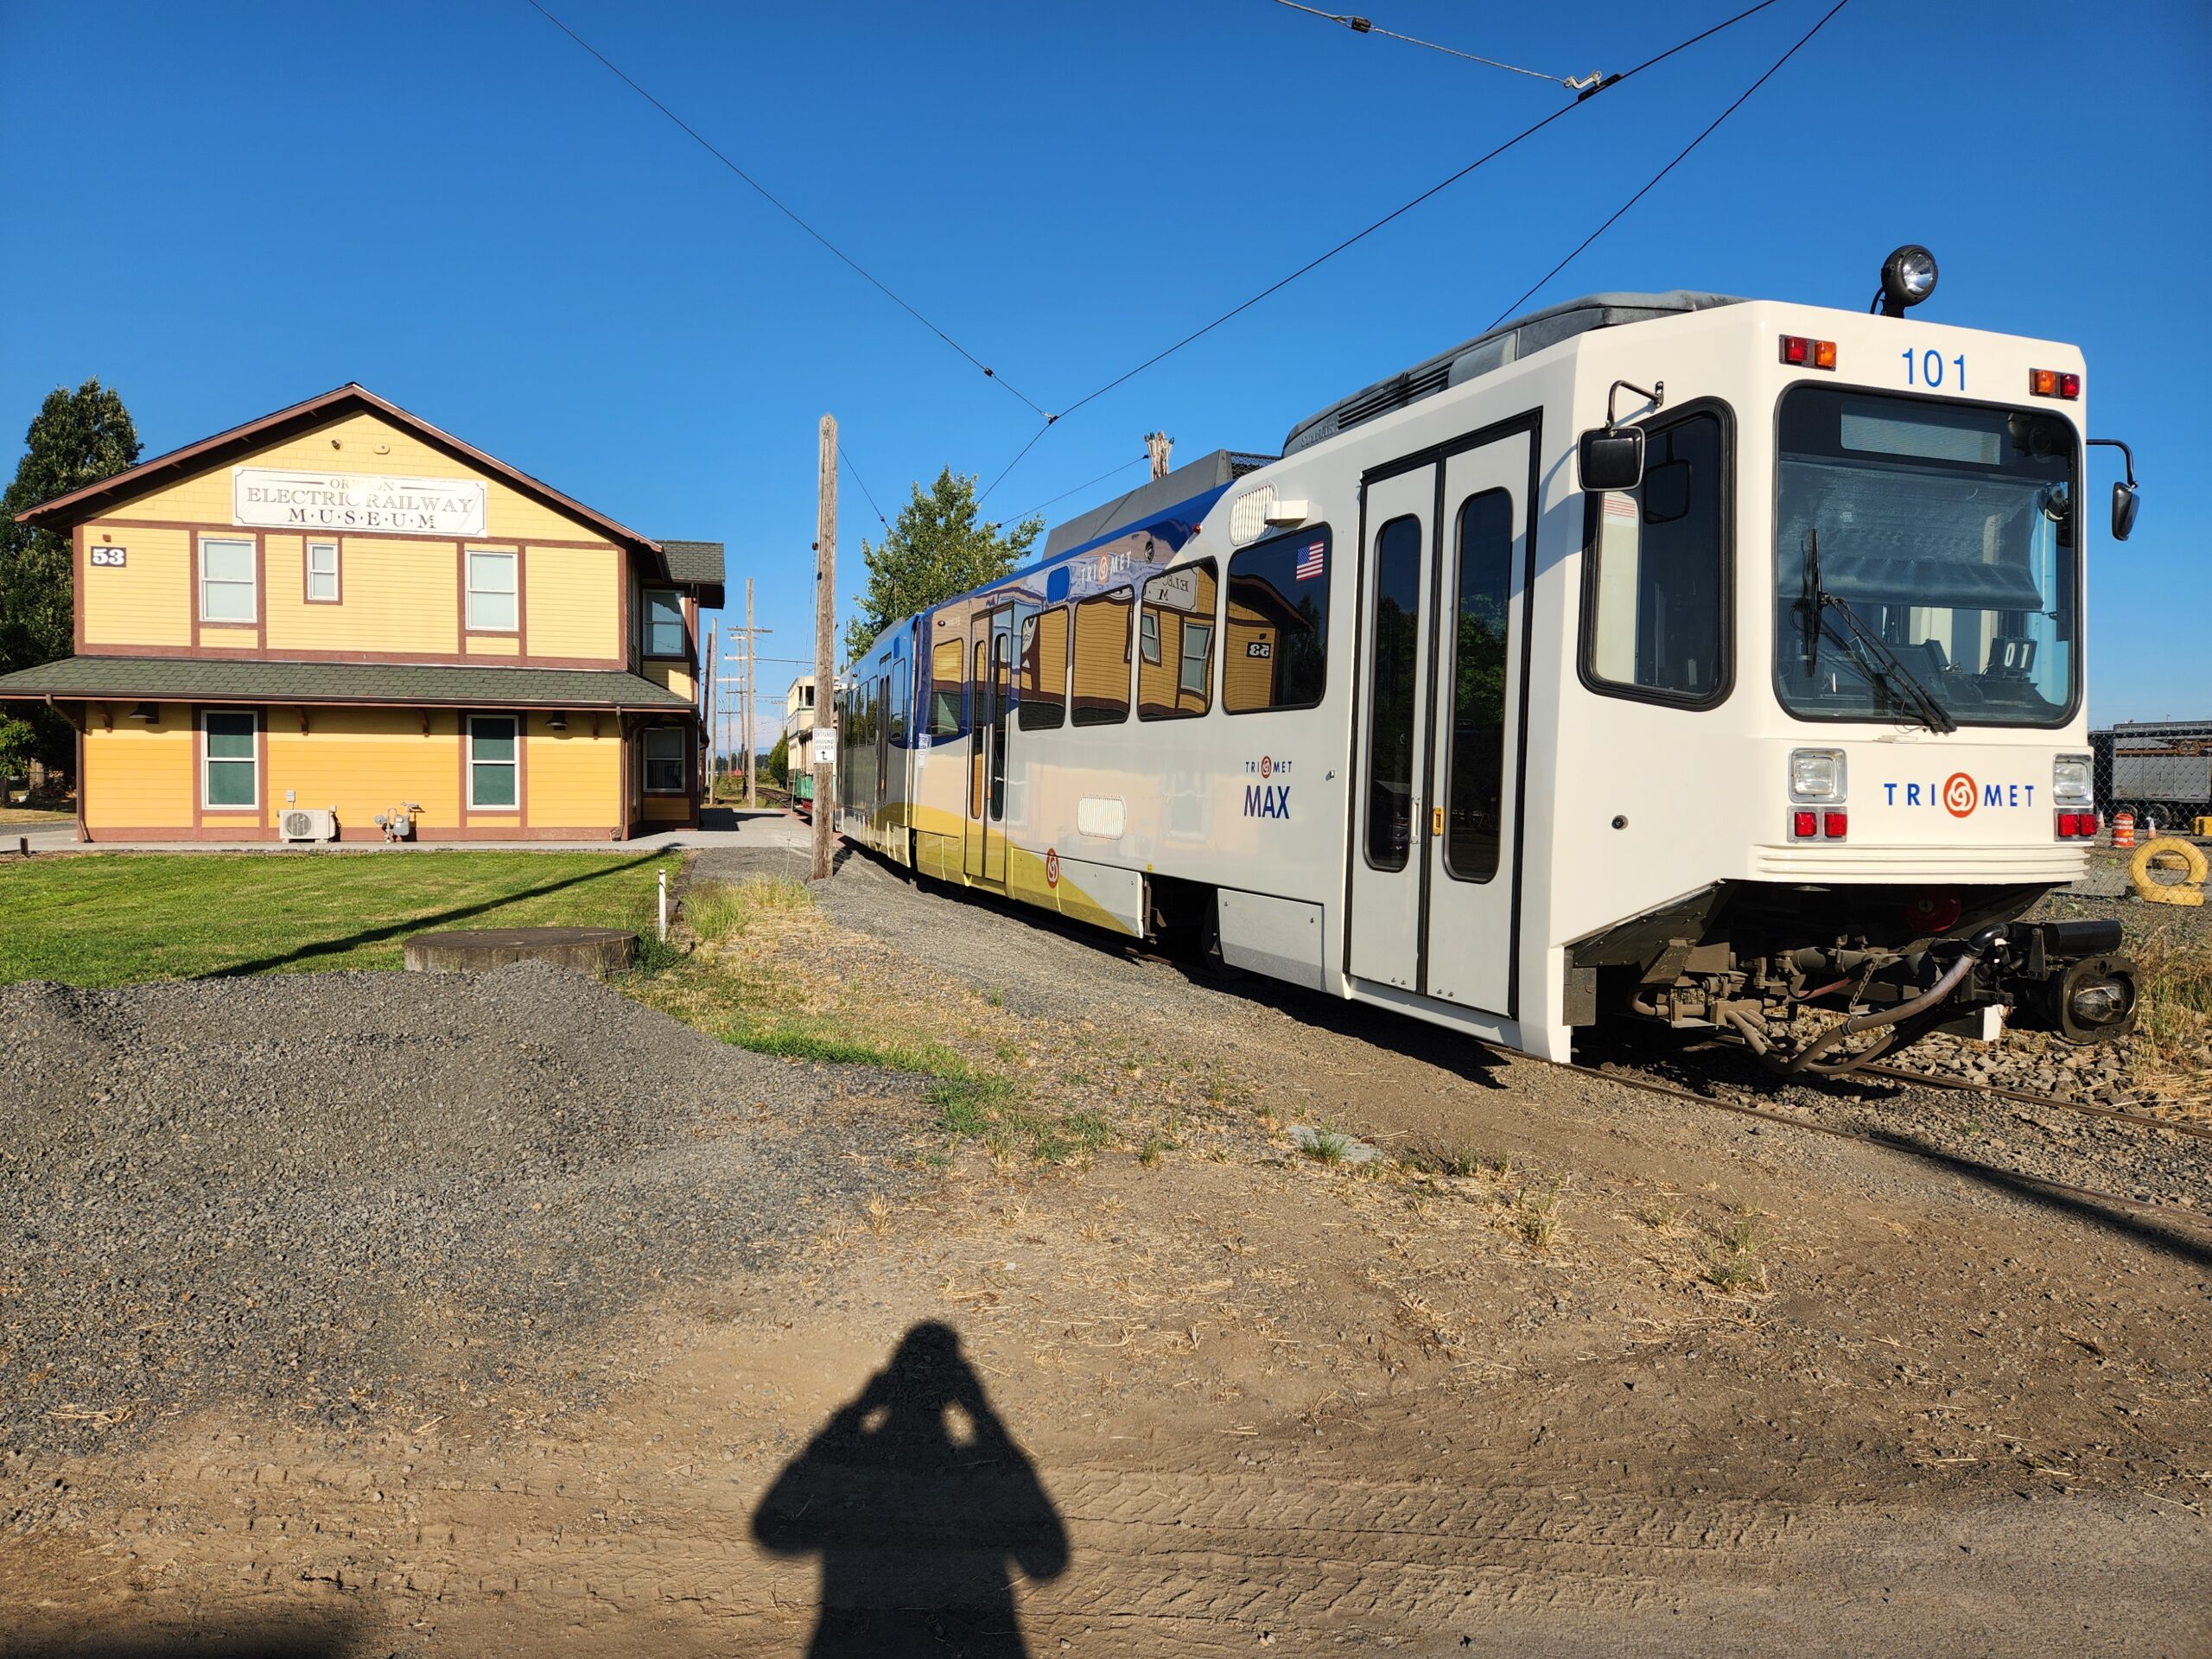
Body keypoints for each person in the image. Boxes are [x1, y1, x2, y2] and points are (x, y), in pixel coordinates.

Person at [753, 1322, 1069, 1657]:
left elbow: (772, 1531)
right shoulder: (971, 1470)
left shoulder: (864, 1459)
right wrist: (984, 1418)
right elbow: (1046, 1564)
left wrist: (855, 1412)